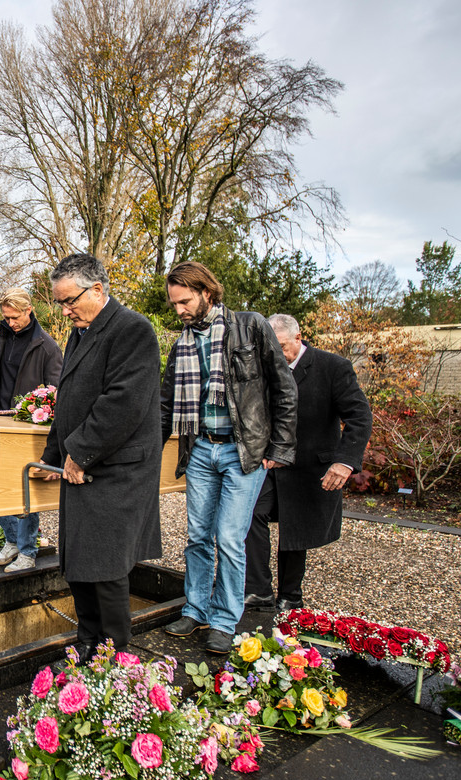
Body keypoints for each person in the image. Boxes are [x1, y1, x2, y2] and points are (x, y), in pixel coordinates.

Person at [159, 261, 297, 655]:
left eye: (184, 301)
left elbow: (284, 389)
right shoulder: (182, 342)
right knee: (197, 537)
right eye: (174, 304)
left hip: (243, 452)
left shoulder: (251, 327)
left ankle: (223, 620)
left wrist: (279, 448)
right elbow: (166, 403)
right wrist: (149, 454)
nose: (179, 310)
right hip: (200, 449)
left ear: (207, 292)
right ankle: (195, 608)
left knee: (230, 539)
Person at [36, 254, 162, 662]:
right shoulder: (81, 331)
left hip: (117, 469)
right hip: (82, 466)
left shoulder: (133, 330)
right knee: (79, 563)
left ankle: (114, 657)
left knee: (106, 568)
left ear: (98, 290)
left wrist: (79, 454)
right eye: (60, 303)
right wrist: (53, 456)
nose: (65, 310)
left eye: (70, 300)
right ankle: (87, 644)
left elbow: (122, 403)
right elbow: (69, 399)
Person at [244, 314, 372, 613]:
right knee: (250, 514)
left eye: (283, 346)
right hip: (270, 464)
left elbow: (359, 417)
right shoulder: (263, 367)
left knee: (295, 528)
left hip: (309, 466)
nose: (275, 354)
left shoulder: (333, 367)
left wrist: (344, 461)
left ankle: (291, 594)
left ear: (299, 338)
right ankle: (259, 590)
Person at [0, 288, 63, 572]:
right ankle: (11, 540)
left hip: (26, 427)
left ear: (28, 310)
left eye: (15, 317)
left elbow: (57, 391)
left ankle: (27, 551)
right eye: (6, 317)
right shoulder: (1, 341)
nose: (10, 322)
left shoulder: (46, 347)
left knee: (23, 490)